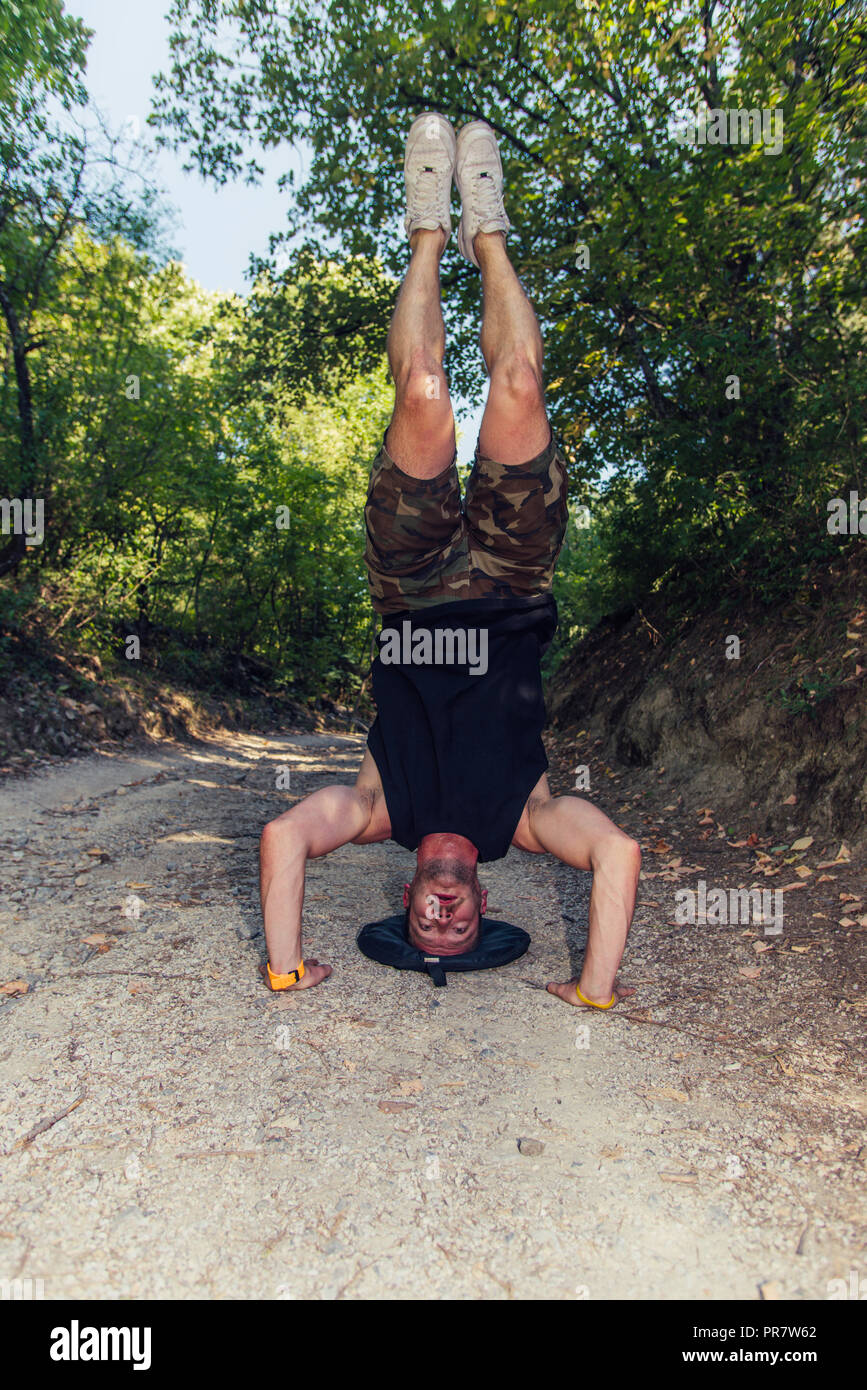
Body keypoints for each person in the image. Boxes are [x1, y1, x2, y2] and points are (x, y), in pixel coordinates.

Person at [259, 113, 640, 1009]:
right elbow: (617, 853)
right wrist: (593, 991)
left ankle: (427, 229)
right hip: (513, 580)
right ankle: (489, 235)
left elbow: (283, 836)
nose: (440, 923)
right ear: (477, 904)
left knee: (426, 391)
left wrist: (284, 970)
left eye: (423, 929)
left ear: (404, 902)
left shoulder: (378, 813)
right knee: (516, 385)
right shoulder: (524, 824)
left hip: (410, 584)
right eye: (457, 930)